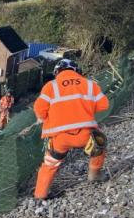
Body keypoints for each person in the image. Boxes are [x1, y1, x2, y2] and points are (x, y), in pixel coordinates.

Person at [32, 58, 109, 200]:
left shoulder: (51, 86)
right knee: (99, 146)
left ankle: (40, 194)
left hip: (60, 137)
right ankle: (95, 175)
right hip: (85, 134)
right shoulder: (90, 85)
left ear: (57, 72)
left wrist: (43, 117)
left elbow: (39, 109)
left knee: (49, 164)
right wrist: (85, 108)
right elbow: (104, 105)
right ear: (76, 71)